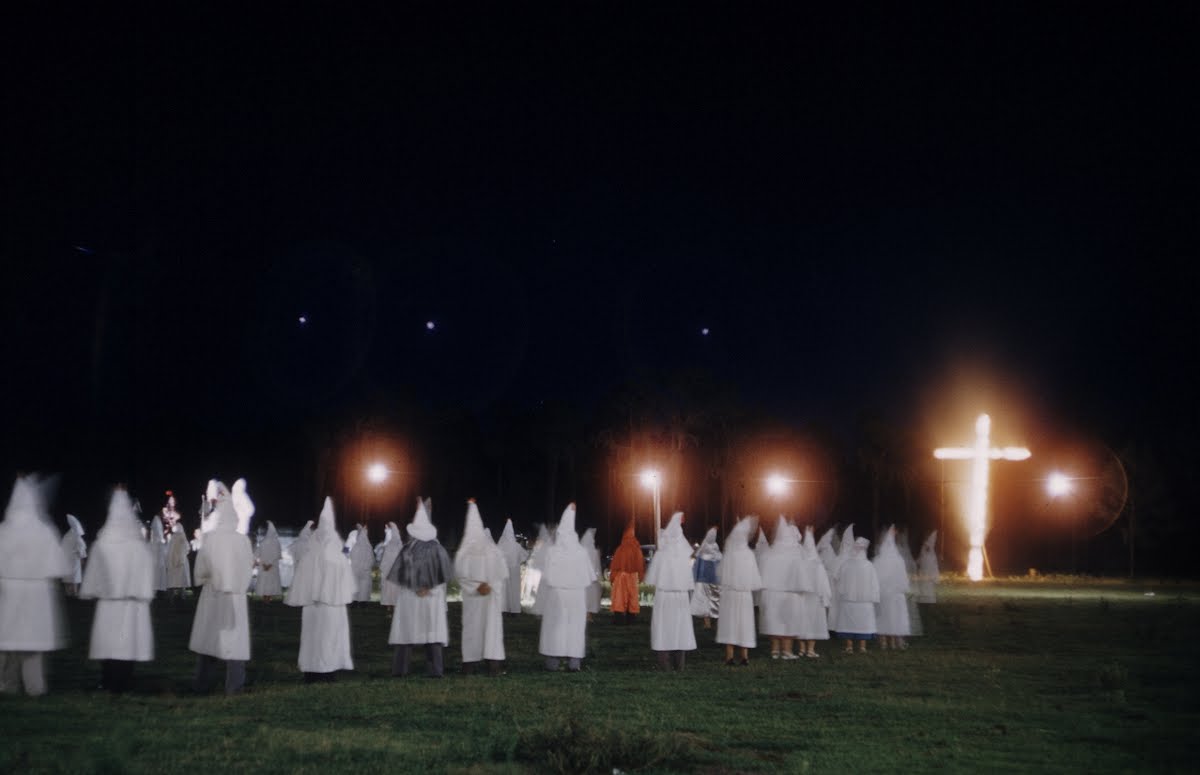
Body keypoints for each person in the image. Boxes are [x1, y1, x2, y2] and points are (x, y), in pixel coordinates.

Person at [79, 487, 156, 693]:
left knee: (108, 642)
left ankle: (108, 679)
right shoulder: (138, 546)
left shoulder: (103, 543)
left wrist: (93, 590)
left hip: (109, 604)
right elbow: (147, 573)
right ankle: (125, 680)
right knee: (128, 643)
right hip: (131, 603)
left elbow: (94, 573)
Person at [0, 476, 70, 696]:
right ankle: (35, 686)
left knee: (7, 641)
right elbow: (58, 565)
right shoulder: (44, 530)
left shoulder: (4, 530)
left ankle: (7, 684)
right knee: (33, 644)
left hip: (9, 591)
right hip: (37, 593)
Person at [188, 483, 254, 694]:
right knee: (234, 643)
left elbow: (200, 570)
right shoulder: (242, 541)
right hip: (235, 597)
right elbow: (247, 569)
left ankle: (201, 684)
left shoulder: (211, 540)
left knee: (209, 639)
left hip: (212, 594)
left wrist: (209, 579)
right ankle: (234, 687)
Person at [285, 497, 354, 682]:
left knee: (312, 637)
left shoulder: (309, 556)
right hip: (332, 607)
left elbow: (301, 581)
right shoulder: (338, 559)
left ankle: (311, 672)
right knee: (329, 638)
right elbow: (346, 585)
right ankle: (327, 672)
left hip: (313, 607)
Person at [388, 498, 451, 678]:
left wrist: (417, 587)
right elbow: (443, 575)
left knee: (406, 632)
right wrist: (429, 588)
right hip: (431, 598)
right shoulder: (437, 548)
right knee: (431, 633)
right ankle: (435, 670)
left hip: (411, 597)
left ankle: (401, 669)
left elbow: (400, 574)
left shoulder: (408, 549)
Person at [538, 503, 595, 672]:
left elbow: (547, 576)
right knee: (574, 628)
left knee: (555, 628)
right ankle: (574, 663)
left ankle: (553, 663)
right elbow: (589, 577)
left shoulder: (553, 552)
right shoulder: (581, 552)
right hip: (576, 596)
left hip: (557, 595)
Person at [454, 499, 507, 675]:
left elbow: (461, 574)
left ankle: (475, 665)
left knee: (475, 628)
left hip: (479, 597)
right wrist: (486, 586)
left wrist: (478, 587)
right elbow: (500, 573)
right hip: (483, 597)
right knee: (484, 628)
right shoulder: (491, 551)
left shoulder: (466, 552)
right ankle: (485, 665)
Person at [644, 512, 697, 671]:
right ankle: (679, 664)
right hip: (679, 596)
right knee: (679, 627)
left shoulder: (662, 554)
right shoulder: (683, 554)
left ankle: (664, 663)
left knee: (664, 627)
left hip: (665, 596)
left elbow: (653, 577)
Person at [758, 517, 808, 660]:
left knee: (774, 622)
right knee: (788, 622)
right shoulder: (796, 554)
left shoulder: (770, 554)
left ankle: (775, 651)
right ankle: (787, 651)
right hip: (789, 594)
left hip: (772, 593)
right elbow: (801, 575)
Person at [716, 516, 762, 666]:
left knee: (730, 623)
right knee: (744, 623)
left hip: (730, 594)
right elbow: (754, 577)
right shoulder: (748, 554)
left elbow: (721, 574)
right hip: (744, 595)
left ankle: (729, 657)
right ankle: (744, 657)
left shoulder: (729, 554)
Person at [832, 537, 880, 654]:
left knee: (849, 622)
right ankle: (862, 647)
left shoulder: (846, 564)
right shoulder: (869, 565)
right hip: (864, 601)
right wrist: (874, 596)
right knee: (863, 623)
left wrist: (842, 591)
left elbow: (838, 579)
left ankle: (849, 647)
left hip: (848, 599)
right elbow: (874, 583)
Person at [873, 526, 911, 650]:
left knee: (884, 617)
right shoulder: (898, 560)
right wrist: (903, 588)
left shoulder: (878, 560)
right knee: (896, 617)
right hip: (895, 595)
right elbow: (903, 579)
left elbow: (875, 579)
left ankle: (884, 642)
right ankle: (896, 641)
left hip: (884, 595)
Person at [796, 525, 832, 658]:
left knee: (802, 623)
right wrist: (825, 598)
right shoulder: (818, 565)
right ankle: (810, 649)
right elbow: (824, 584)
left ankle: (801, 649)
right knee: (813, 623)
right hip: (815, 598)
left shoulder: (800, 564)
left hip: (803, 598)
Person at [608, 522, 644, 624]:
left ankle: (618, 619)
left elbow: (614, 564)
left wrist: (612, 577)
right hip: (632, 576)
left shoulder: (620, 548)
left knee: (620, 597)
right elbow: (640, 563)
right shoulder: (637, 549)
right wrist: (640, 576)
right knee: (632, 597)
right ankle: (631, 618)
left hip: (621, 576)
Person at [690, 526, 721, 629]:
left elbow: (696, 559)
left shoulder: (704, 547)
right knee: (716, 601)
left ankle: (707, 623)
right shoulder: (716, 547)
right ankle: (715, 622)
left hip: (703, 580)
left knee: (704, 601)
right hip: (715, 580)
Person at [495, 518, 528, 614]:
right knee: (514, 589)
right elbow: (524, 556)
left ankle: (504, 608)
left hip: (503, 570)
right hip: (514, 570)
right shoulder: (516, 546)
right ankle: (514, 609)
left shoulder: (500, 545)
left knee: (504, 590)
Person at [60, 514, 87, 597]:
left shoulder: (66, 536)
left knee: (68, 577)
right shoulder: (76, 536)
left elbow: (62, 547)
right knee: (75, 577)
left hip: (66, 559)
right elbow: (81, 546)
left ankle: (68, 593)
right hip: (74, 559)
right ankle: (75, 593)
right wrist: (82, 557)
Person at [378, 521, 402, 611]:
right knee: (390, 588)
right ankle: (390, 606)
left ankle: (391, 606)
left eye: (387, 529)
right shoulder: (394, 545)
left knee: (392, 588)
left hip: (393, 572)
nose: (385, 530)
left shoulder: (394, 546)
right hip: (390, 572)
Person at [256, 521, 283, 601]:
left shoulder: (263, 542)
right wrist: (270, 564)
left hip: (263, 565)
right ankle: (268, 597)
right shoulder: (276, 543)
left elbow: (257, 553)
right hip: (272, 566)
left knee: (264, 581)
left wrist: (264, 564)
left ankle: (265, 597)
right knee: (271, 581)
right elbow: (278, 554)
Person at [348, 524, 374, 605]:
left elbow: (347, 553)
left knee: (356, 584)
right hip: (363, 569)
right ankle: (362, 601)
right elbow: (372, 558)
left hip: (355, 568)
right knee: (364, 584)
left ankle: (355, 600)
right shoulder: (368, 546)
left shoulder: (355, 545)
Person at [581, 528, 602, 622]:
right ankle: (588, 615)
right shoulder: (593, 552)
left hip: (583, 579)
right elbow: (597, 566)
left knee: (584, 597)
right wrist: (598, 577)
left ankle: (585, 614)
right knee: (590, 597)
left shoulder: (581, 551)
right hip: (591, 579)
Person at [166, 523, 192, 597]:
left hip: (173, 560)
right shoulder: (182, 536)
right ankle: (182, 595)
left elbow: (169, 549)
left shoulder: (173, 537)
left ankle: (171, 596)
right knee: (182, 579)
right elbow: (187, 548)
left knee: (173, 579)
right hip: (181, 561)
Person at [916, 530, 940, 604]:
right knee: (924, 584)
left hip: (928, 568)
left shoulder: (929, 549)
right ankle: (924, 598)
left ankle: (928, 599)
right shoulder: (924, 547)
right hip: (925, 568)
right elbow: (921, 557)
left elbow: (928, 551)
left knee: (928, 585)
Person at [149, 515, 168, 595]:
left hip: (157, 557)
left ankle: (156, 591)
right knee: (156, 573)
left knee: (157, 573)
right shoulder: (156, 540)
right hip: (156, 557)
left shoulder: (156, 540)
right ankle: (155, 591)